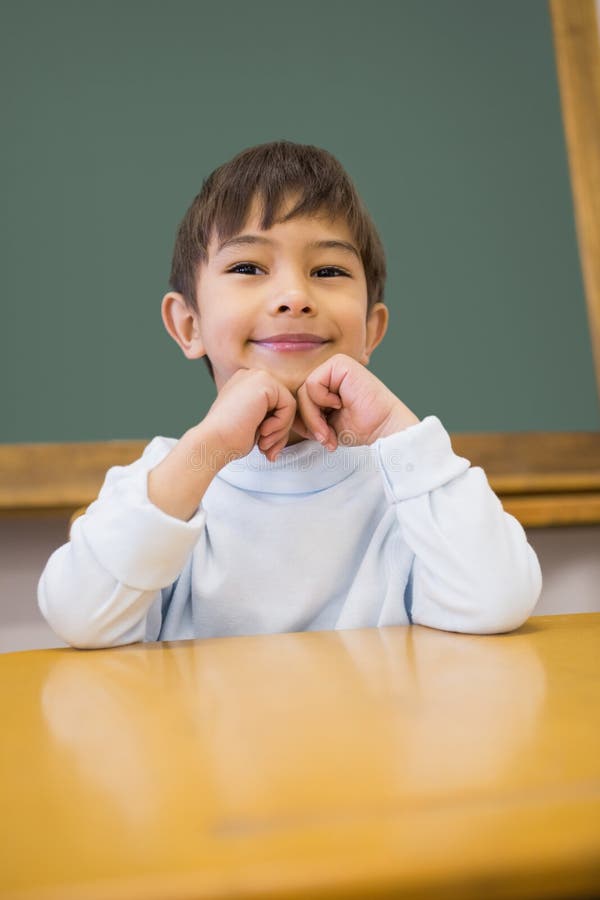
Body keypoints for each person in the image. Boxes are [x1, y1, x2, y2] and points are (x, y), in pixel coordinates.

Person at [38, 140, 542, 649]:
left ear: (370, 330)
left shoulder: (408, 489)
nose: (296, 298)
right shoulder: (167, 483)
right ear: (188, 325)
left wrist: (398, 430)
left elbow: (499, 600)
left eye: (328, 271)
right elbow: (80, 616)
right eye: (248, 268)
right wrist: (205, 448)